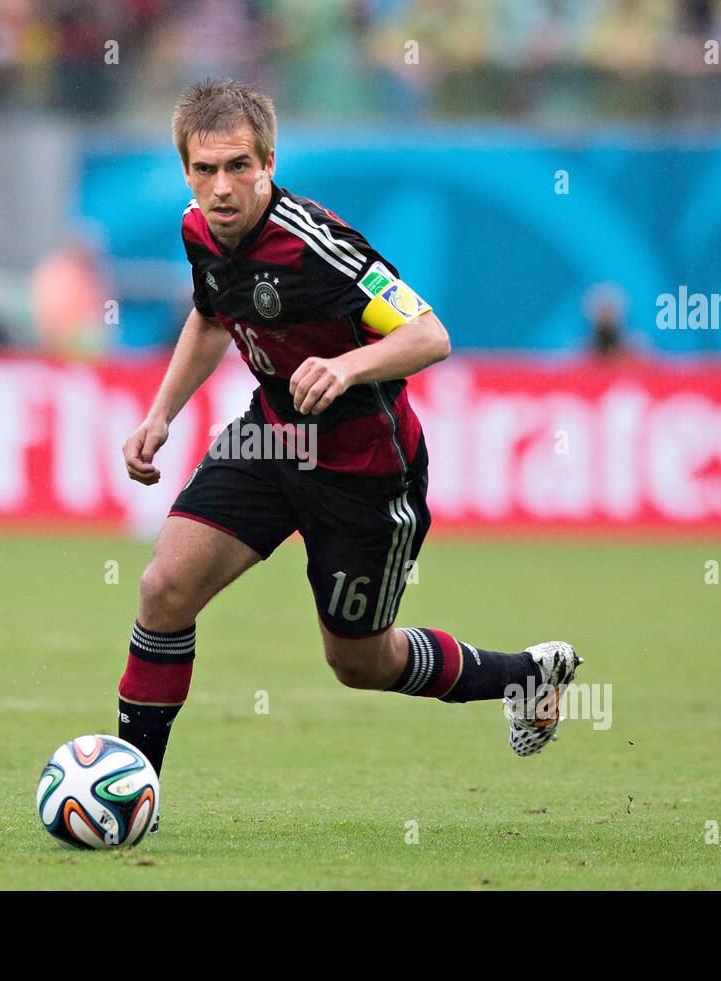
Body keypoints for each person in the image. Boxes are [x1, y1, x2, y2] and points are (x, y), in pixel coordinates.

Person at [115, 79, 584, 814]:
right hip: (273, 438)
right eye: (205, 170)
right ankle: (131, 791)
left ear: (269, 161)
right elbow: (212, 315)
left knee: (359, 661)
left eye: (239, 165)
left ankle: (523, 675)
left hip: (365, 470)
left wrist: (346, 364)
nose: (223, 187)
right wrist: (161, 413)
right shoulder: (198, 231)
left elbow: (429, 334)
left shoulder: (317, 248)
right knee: (163, 589)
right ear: (186, 172)